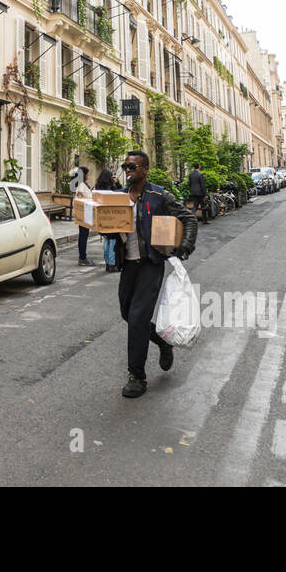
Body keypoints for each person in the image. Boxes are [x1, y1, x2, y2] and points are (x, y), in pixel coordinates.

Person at [112, 150, 198, 399]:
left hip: (151, 264)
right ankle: (162, 341)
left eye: (132, 167)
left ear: (145, 169)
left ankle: (137, 376)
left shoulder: (159, 195)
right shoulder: (118, 198)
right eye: (125, 166)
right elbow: (106, 225)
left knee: (138, 318)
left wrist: (185, 247)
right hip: (128, 265)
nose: (128, 171)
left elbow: (188, 219)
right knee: (127, 314)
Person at [94, 167, 121, 272]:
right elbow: (121, 193)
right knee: (112, 240)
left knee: (106, 239)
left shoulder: (97, 187)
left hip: (101, 217)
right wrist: (117, 183)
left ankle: (107, 262)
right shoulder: (111, 188)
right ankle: (111, 263)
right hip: (111, 216)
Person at [72, 166, 93, 267]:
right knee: (83, 237)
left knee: (83, 236)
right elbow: (84, 199)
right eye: (88, 173)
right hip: (84, 214)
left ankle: (83, 257)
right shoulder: (81, 186)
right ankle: (82, 258)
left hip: (84, 214)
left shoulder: (81, 185)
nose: (89, 175)